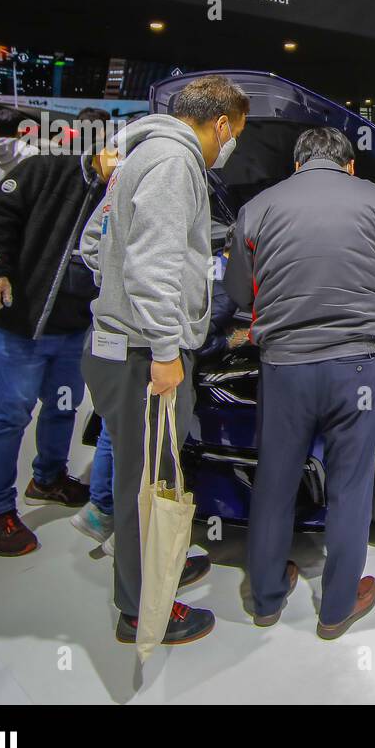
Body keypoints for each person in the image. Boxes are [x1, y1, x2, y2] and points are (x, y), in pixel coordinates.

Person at [80, 74, 248, 648]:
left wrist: (116, 301)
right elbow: (153, 268)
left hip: (113, 345)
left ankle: (155, 568)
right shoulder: (175, 164)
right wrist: (164, 348)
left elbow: (92, 242)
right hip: (139, 357)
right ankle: (141, 608)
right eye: (236, 135)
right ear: (221, 123)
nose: (231, 147)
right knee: (146, 483)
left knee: (144, 471)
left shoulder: (137, 155)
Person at [228, 127, 375, 636]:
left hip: (283, 367)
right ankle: (336, 609)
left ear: (297, 165)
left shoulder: (258, 207)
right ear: (349, 165)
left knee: (275, 482)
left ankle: (265, 598)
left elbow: (239, 290)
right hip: (356, 366)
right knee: (350, 485)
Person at [0, 111, 115, 555]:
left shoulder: (118, 190)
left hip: (74, 327)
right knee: (9, 415)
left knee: (63, 407)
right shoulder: (42, 169)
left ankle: (49, 478)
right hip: (22, 324)